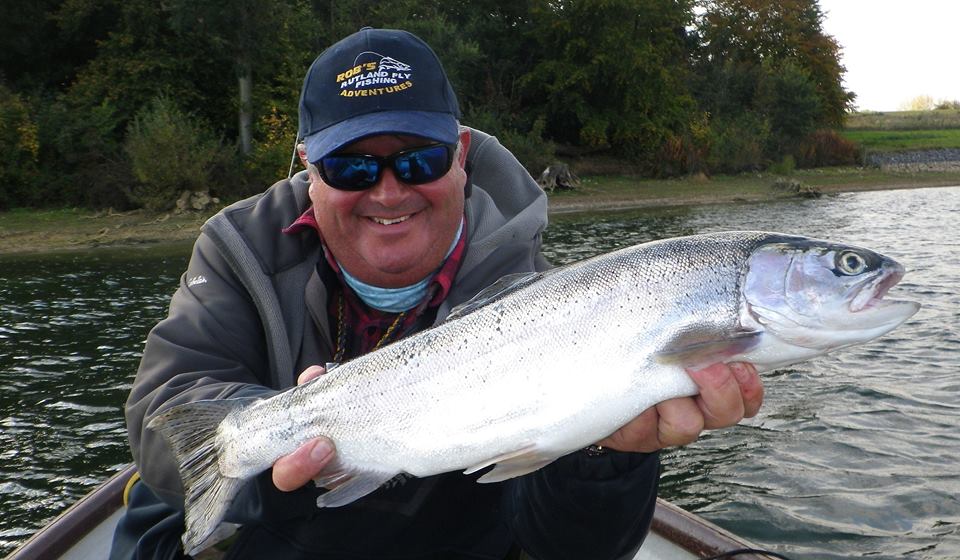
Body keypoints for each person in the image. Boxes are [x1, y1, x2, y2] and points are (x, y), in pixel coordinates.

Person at [111, 27, 763, 560]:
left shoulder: (547, 305)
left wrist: (605, 458)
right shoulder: (240, 250)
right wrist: (281, 456)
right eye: (351, 167)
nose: (388, 192)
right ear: (307, 168)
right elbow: (167, 413)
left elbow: (569, 549)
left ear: (460, 153)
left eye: (418, 159)